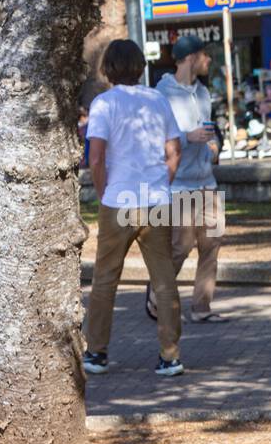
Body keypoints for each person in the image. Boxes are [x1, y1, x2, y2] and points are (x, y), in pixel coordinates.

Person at [82, 39, 185, 377]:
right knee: (164, 279)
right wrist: (162, 184)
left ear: (107, 68)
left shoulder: (103, 103)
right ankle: (170, 356)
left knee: (105, 279)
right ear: (141, 66)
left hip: (118, 198)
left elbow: (96, 157)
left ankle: (96, 353)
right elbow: (175, 152)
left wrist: (103, 194)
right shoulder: (158, 99)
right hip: (155, 198)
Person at [150, 35, 227, 323]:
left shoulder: (203, 93)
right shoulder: (162, 93)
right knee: (180, 247)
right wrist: (186, 137)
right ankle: (158, 298)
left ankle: (201, 308)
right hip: (180, 183)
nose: (208, 60)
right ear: (191, 57)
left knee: (213, 243)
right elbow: (156, 138)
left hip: (207, 180)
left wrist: (213, 145)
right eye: (205, 55)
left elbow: (209, 129)